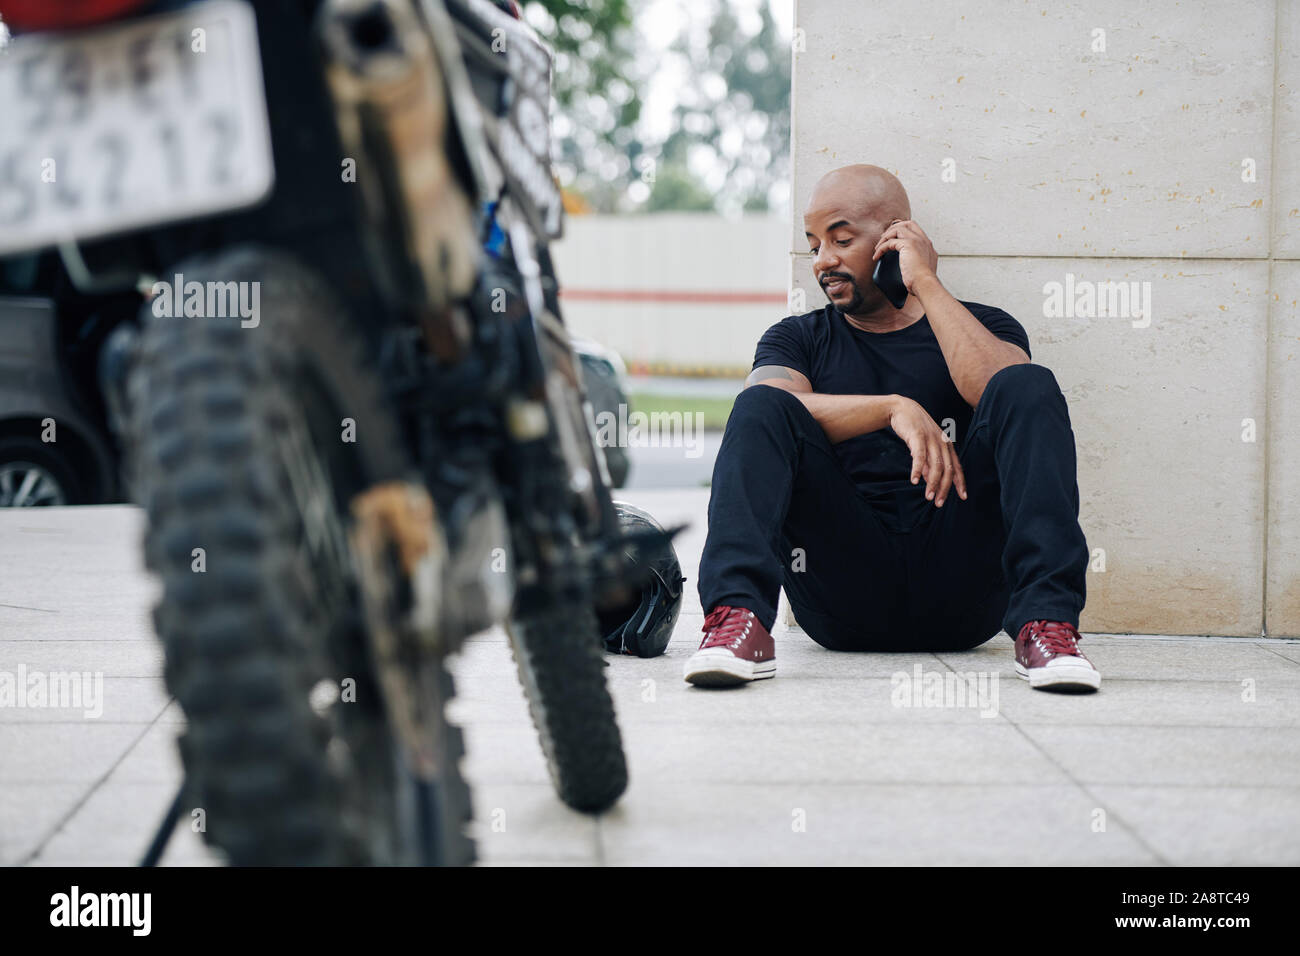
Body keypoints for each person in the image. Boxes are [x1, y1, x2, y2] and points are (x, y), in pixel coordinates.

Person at [686, 164, 1098, 693]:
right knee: (761, 405)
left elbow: (1002, 387)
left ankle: (1047, 626)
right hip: (841, 593)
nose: (823, 261)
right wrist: (891, 408)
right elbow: (765, 406)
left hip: (963, 590)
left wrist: (923, 281)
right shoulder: (798, 339)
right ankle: (737, 624)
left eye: (841, 239)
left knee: (1029, 384)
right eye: (814, 245)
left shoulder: (985, 326)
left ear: (893, 238)